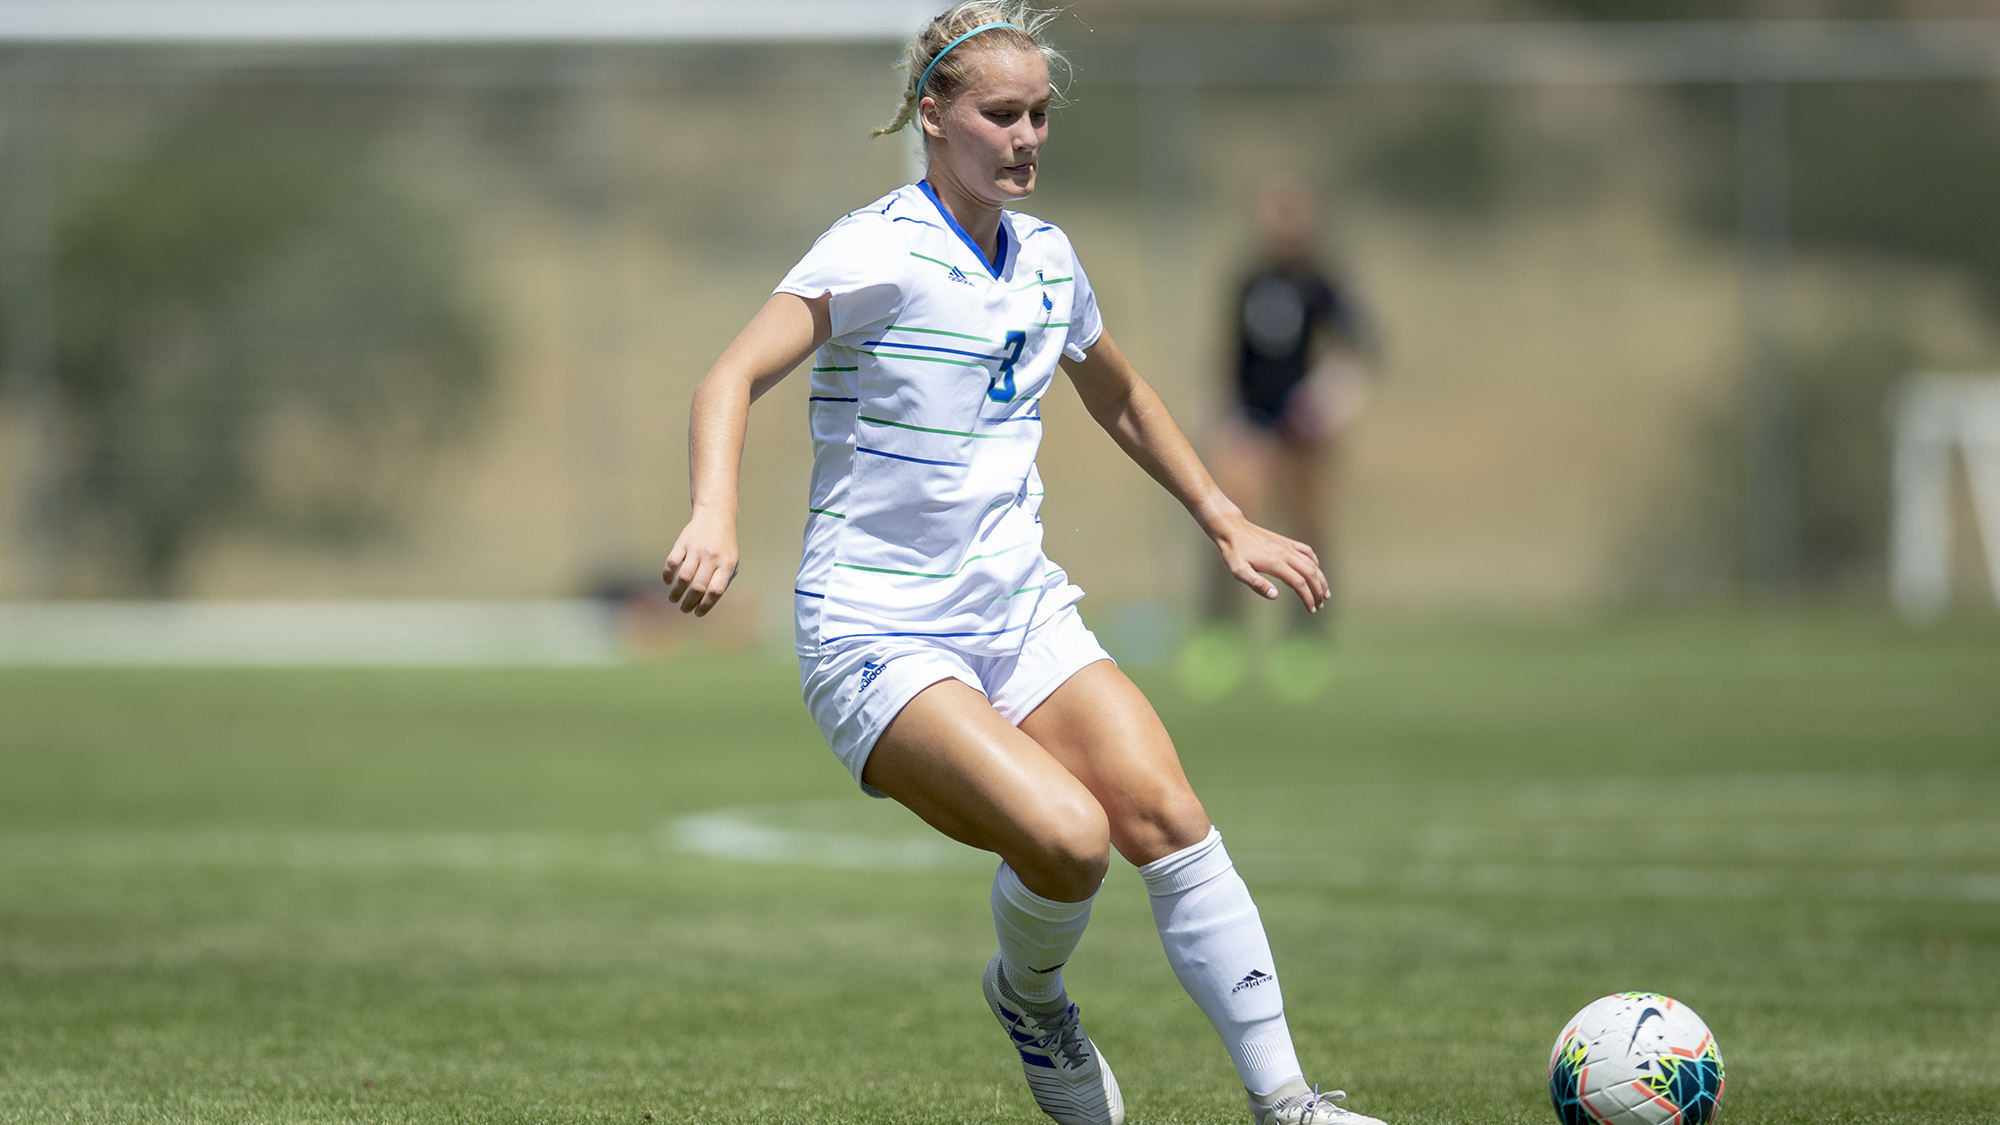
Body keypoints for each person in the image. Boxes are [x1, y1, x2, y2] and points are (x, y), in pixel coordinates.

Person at [660, 6, 1385, 1125]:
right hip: (877, 634)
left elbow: (1120, 393)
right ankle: (1029, 996)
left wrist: (1222, 516)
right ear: (934, 116)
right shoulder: (875, 248)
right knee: (1069, 841)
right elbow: (726, 379)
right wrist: (714, 513)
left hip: (1018, 613)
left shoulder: (1046, 256)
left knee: (1170, 820)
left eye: (1039, 113)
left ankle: (1289, 1104)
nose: (1026, 135)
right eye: (1000, 114)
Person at [1184, 177, 1376, 701]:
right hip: (1251, 417)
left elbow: (1360, 349)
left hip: (1299, 427)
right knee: (1227, 517)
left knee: (1308, 527)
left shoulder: (1322, 283)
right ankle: (1220, 634)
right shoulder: (1249, 281)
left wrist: (1330, 400)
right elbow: (1229, 355)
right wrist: (1217, 412)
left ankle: (1305, 641)